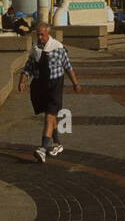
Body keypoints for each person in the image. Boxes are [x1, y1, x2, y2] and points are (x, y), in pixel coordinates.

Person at [17, 23, 81, 162]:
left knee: (49, 117)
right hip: (41, 86)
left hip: (55, 86)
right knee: (50, 117)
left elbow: (68, 67)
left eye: (42, 35)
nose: (40, 38)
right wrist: (22, 81)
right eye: (38, 35)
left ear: (48, 34)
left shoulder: (58, 48)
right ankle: (57, 144)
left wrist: (75, 84)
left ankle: (42, 149)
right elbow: (28, 67)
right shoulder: (35, 49)